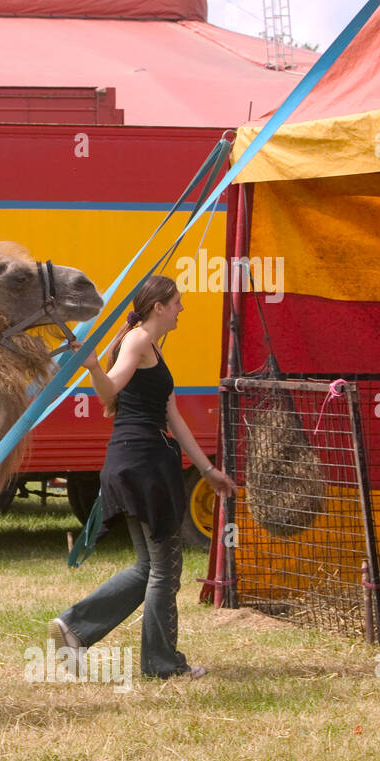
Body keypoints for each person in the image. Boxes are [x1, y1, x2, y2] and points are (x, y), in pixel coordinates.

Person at [49, 276, 237, 679]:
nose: (181, 309)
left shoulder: (151, 348)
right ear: (159, 307)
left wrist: (207, 470)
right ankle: (161, 665)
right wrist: (95, 367)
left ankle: (74, 628)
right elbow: (108, 391)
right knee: (164, 569)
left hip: (140, 461)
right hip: (142, 464)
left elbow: (175, 417)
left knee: (147, 567)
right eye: (177, 303)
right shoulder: (136, 342)